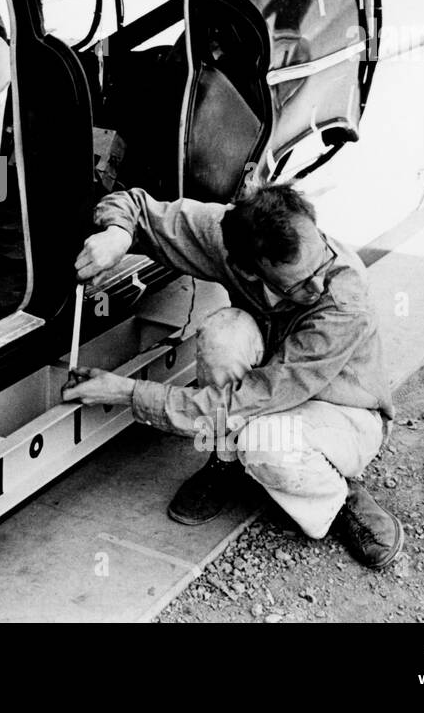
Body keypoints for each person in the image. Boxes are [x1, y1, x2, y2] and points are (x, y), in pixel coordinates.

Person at [62, 183, 404, 570]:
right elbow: (137, 205)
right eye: (298, 285)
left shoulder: (344, 305)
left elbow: (248, 398)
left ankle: (337, 494)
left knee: (265, 442)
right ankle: (226, 461)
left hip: (344, 413)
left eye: (320, 264)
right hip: (269, 386)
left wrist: (130, 393)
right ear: (247, 268)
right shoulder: (230, 235)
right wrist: (117, 234)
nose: (319, 285)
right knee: (224, 331)